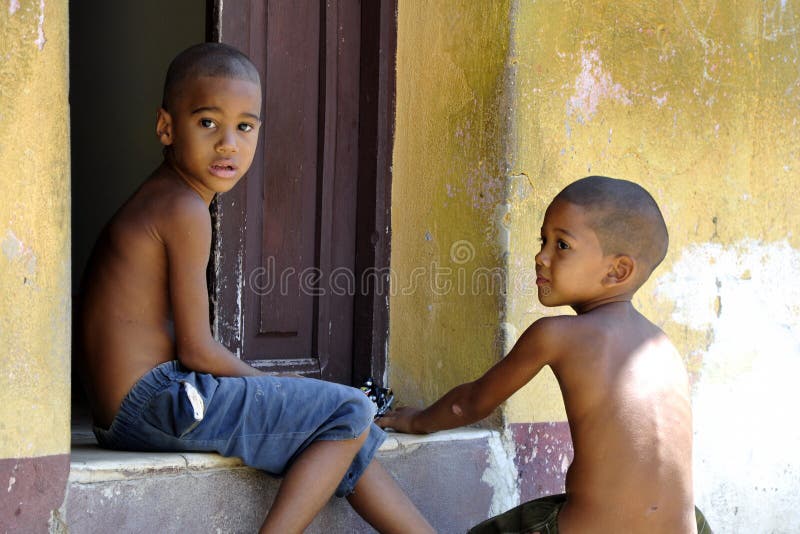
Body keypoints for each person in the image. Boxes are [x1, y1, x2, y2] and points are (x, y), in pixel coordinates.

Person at [76, 42, 433, 534]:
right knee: (349, 407)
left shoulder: (167, 198)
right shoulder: (183, 210)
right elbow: (198, 350)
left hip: (134, 407)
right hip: (156, 402)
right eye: (208, 123)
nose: (228, 144)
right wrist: (279, 386)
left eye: (244, 127)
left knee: (344, 427)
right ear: (166, 126)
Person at [377, 176, 711, 533]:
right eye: (543, 241)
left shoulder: (557, 334)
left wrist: (416, 421)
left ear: (618, 270)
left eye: (562, 245)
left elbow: (471, 402)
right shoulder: (663, 346)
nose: (541, 256)